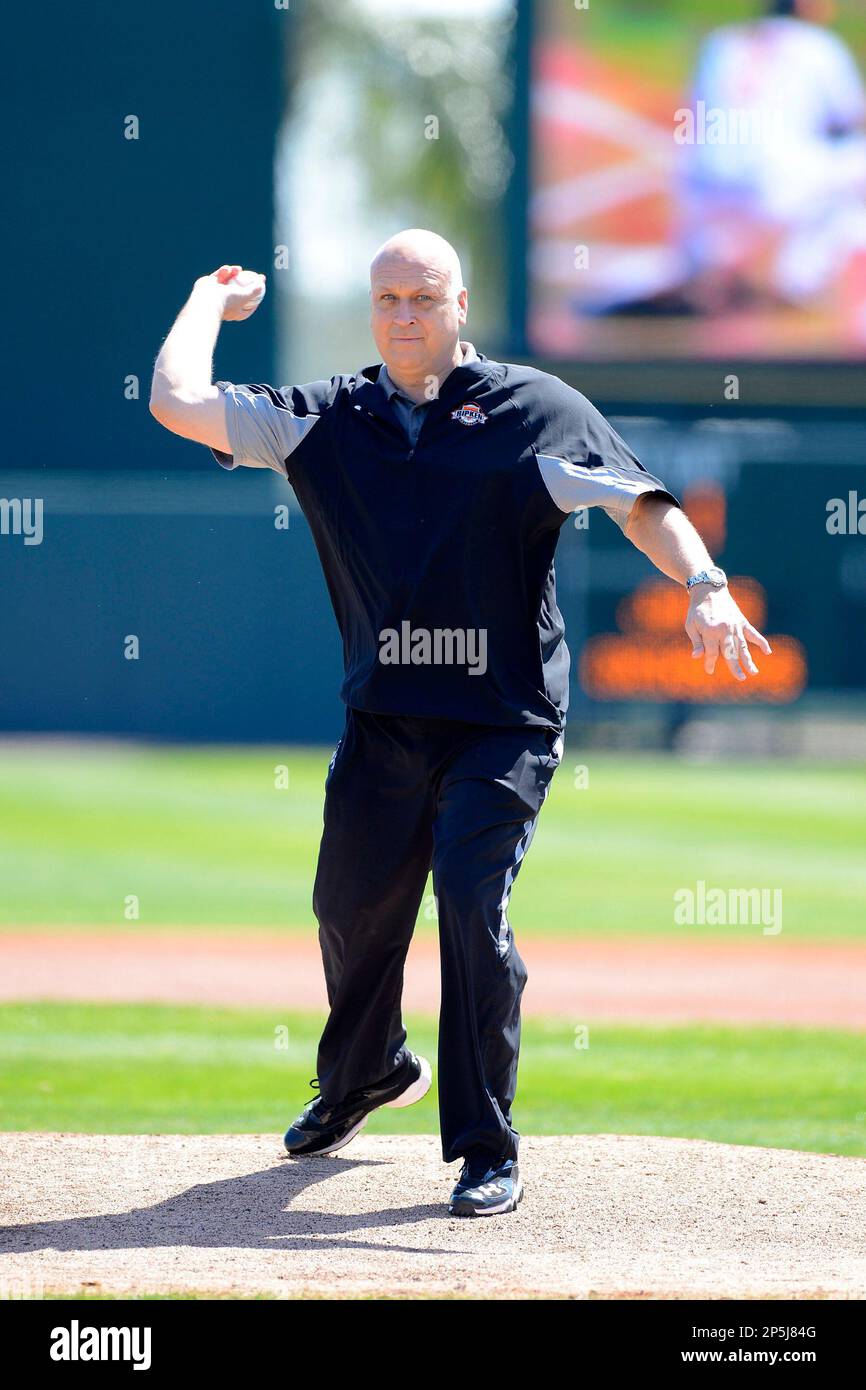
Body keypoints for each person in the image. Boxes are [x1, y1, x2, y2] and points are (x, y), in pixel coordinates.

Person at [149, 228, 770, 1217]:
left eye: (423, 297)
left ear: (460, 305)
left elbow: (640, 502)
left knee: (469, 905)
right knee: (347, 907)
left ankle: (486, 1146)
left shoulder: (534, 411)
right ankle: (363, 1074)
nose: (403, 314)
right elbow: (175, 403)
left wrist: (701, 582)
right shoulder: (328, 417)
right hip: (385, 720)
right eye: (387, 297)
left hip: (502, 720)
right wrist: (201, 299)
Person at [680, 0, 866, 312]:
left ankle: (739, 275)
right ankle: (801, 281)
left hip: (706, 185)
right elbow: (852, 116)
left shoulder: (721, 42)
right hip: (776, 183)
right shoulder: (817, 45)